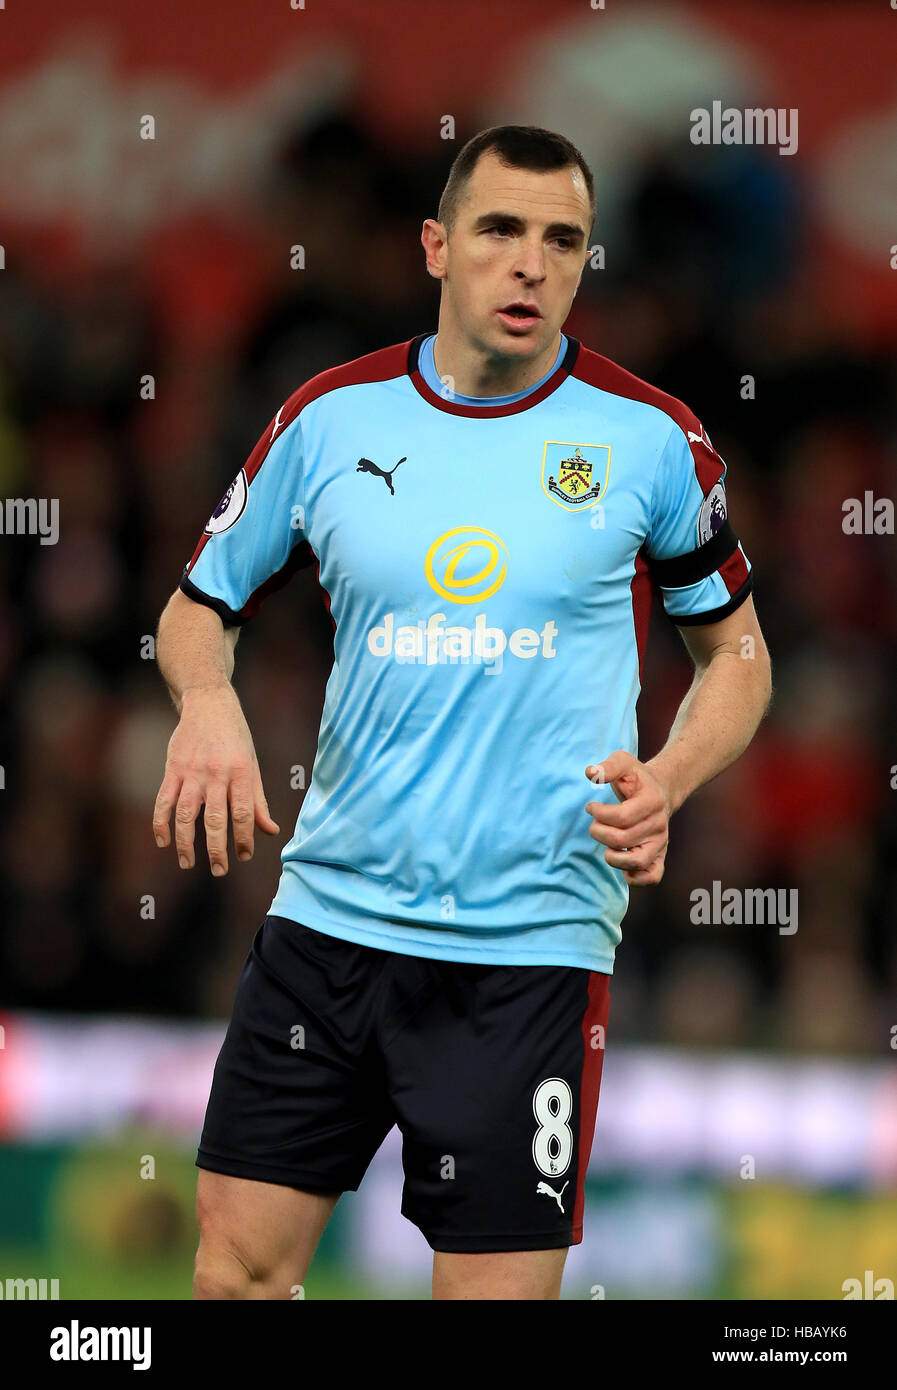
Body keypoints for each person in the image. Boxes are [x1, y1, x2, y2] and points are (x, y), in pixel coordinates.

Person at [153, 125, 772, 1301]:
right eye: (499, 230)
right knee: (234, 1276)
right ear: (436, 245)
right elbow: (196, 607)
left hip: (526, 953)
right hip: (328, 929)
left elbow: (737, 653)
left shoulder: (651, 440)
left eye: (563, 241)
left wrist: (672, 774)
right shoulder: (330, 419)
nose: (530, 264)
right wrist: (207, 700)